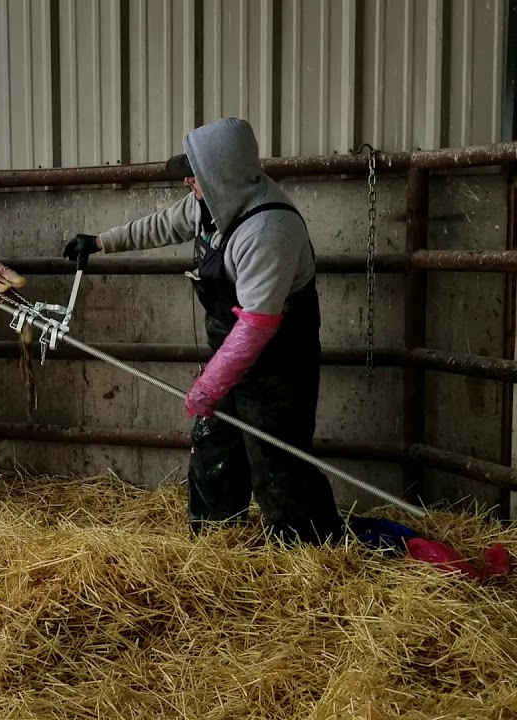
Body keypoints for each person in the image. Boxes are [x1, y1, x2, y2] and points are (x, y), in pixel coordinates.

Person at [61, 117, 344, 545]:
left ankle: (306, 553)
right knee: (214, 445)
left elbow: (255, 328)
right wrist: (100, 241)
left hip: (279, 360)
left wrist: (209, 386)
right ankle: (215, 544)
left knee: (277, 459)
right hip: (231, 350)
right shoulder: (209, 204)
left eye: (195, 175)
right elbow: (161, 225)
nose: (189, 183)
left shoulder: (267, 232)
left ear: (220, 175)